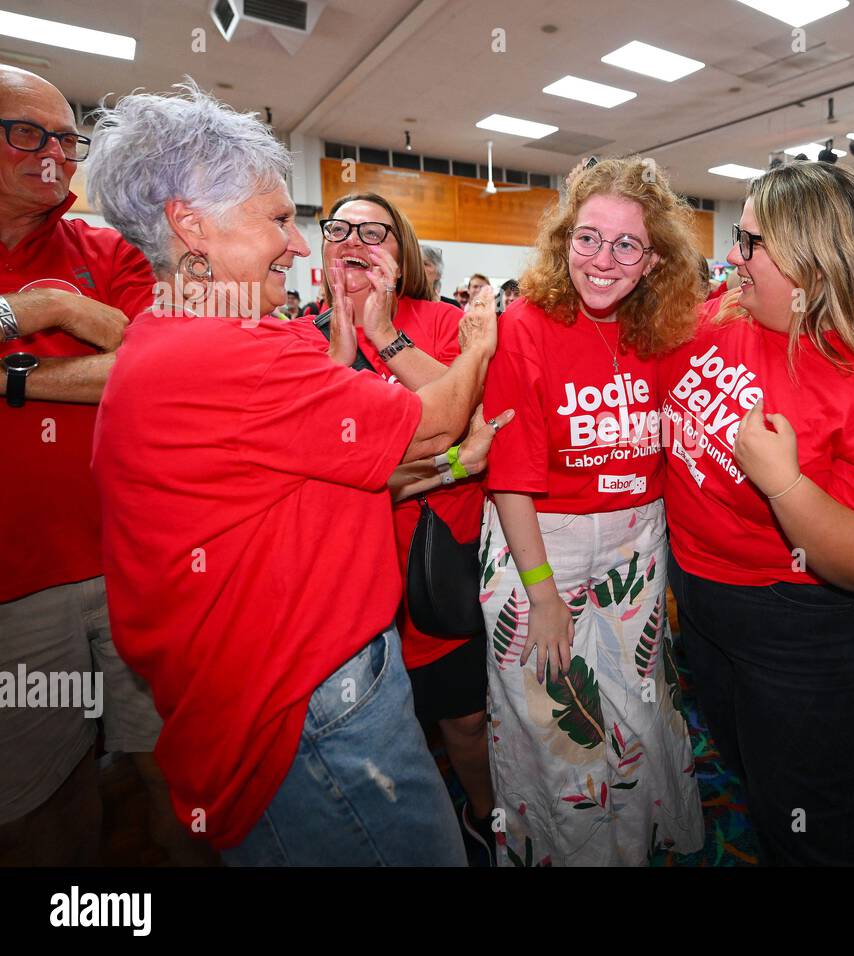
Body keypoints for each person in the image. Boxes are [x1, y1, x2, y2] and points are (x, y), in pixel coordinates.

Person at [82, 81, 500, 866]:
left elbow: (290, 486)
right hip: (311, 712)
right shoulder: (229, 352)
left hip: (269, 697)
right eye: (279, 220)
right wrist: (479, 341)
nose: (301, 245)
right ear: (190, 224)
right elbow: (438, 420)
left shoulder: (168, 333)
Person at [664, 161, 854, 866]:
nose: (732, 256)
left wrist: (784, 487)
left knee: (815, 830)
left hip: (808, 636)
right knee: (759, 789)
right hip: (703, 605)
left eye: (752, 242)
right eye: (738, 235)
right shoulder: (724, 312)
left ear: (816, 264)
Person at [480, 156, 704, 866]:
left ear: (653, 259)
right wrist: (543, 596)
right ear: (564, 239)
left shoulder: (665, 327)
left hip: (638, 541)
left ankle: (634, 850)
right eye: (587, 238)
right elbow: (509, 477)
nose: (602, 261)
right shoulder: (526, 325)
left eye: (626, 244)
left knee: (636, 713)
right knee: (560, 731)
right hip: (538, 540)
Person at [0, 64, 188, 866]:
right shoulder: (65, 283)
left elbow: (147, 366)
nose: (54, 155)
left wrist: (13, 374)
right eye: (26, 133)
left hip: (131, 571)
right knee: (42, 804)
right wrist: (37, 310)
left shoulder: (106, 248)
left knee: (171, 778)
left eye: (66, 139)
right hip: (16, 595)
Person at [317, 190, 500, 864]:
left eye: (376, 231)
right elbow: (324, 461)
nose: (356, 240)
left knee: (465, 717)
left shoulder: (445, 322)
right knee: (376, 727)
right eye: (340, 228)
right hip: (351, 572)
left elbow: (474, 424)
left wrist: (385, 333)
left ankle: (486, 819)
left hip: (440, 559)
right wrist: (439, 460)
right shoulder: (304, 337)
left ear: (403, 251)